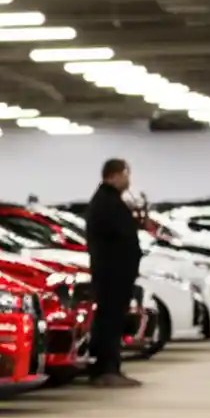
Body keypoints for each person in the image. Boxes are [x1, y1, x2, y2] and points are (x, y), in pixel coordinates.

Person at [85, 158, 144, 387]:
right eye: (126, 175)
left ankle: (108, 368)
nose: (128, 180)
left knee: (112, 320)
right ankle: (106, 369)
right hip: (111, 274)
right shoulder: (106, 203)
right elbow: (118, 237)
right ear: (114, 175)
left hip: (116, 273)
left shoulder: (111, 201)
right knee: (110, 321)